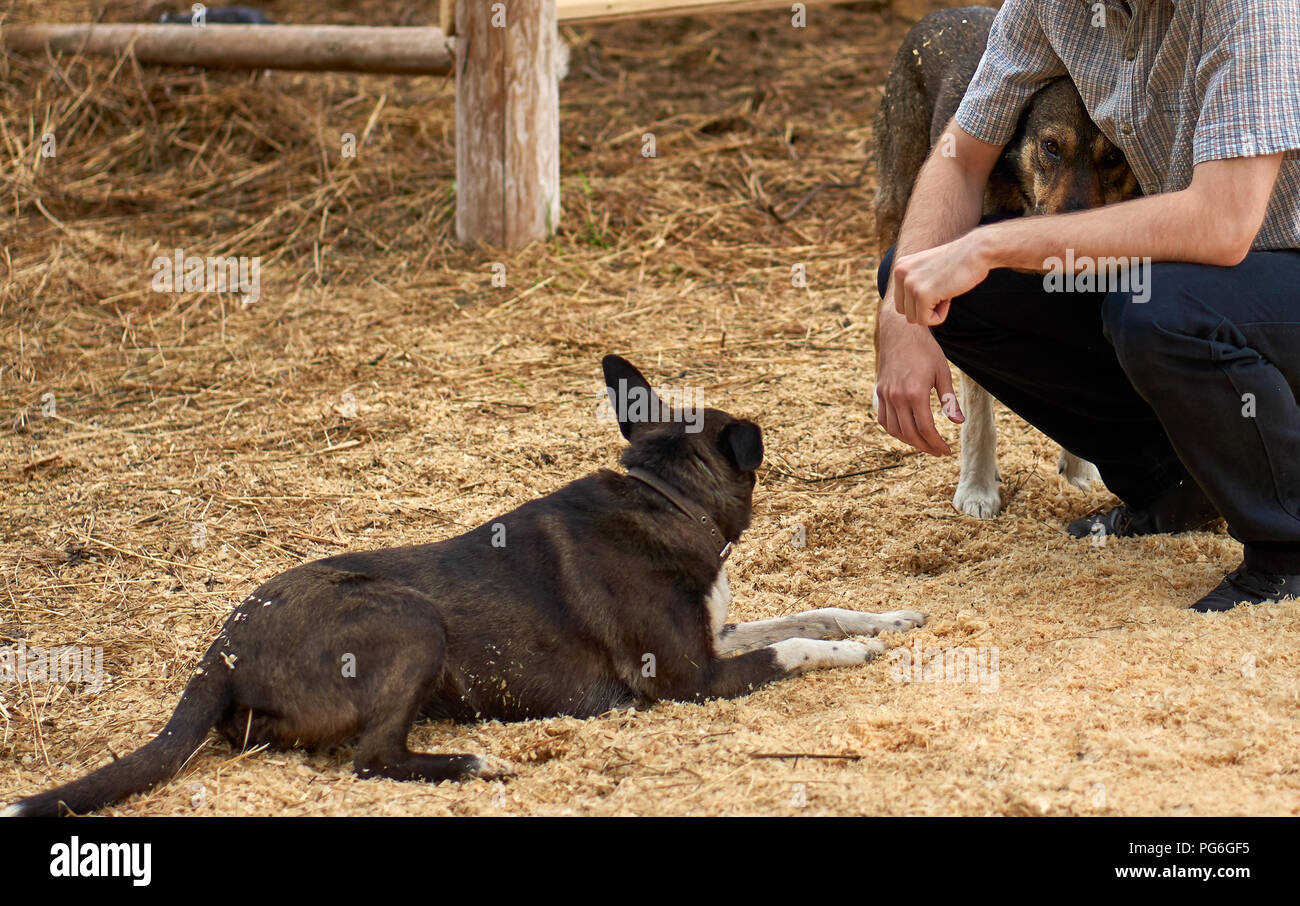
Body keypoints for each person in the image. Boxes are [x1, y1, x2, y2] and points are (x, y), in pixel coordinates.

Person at [873, 0, 1300, 612]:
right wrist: (903, 312)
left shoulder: (1252, 8)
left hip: (1282, 259)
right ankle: (1171, 487)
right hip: (1198, 271)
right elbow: (962, 159)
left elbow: (1223, 223)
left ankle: (1286, 551)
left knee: (1155, 306)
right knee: (925, 278)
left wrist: (992, 244)